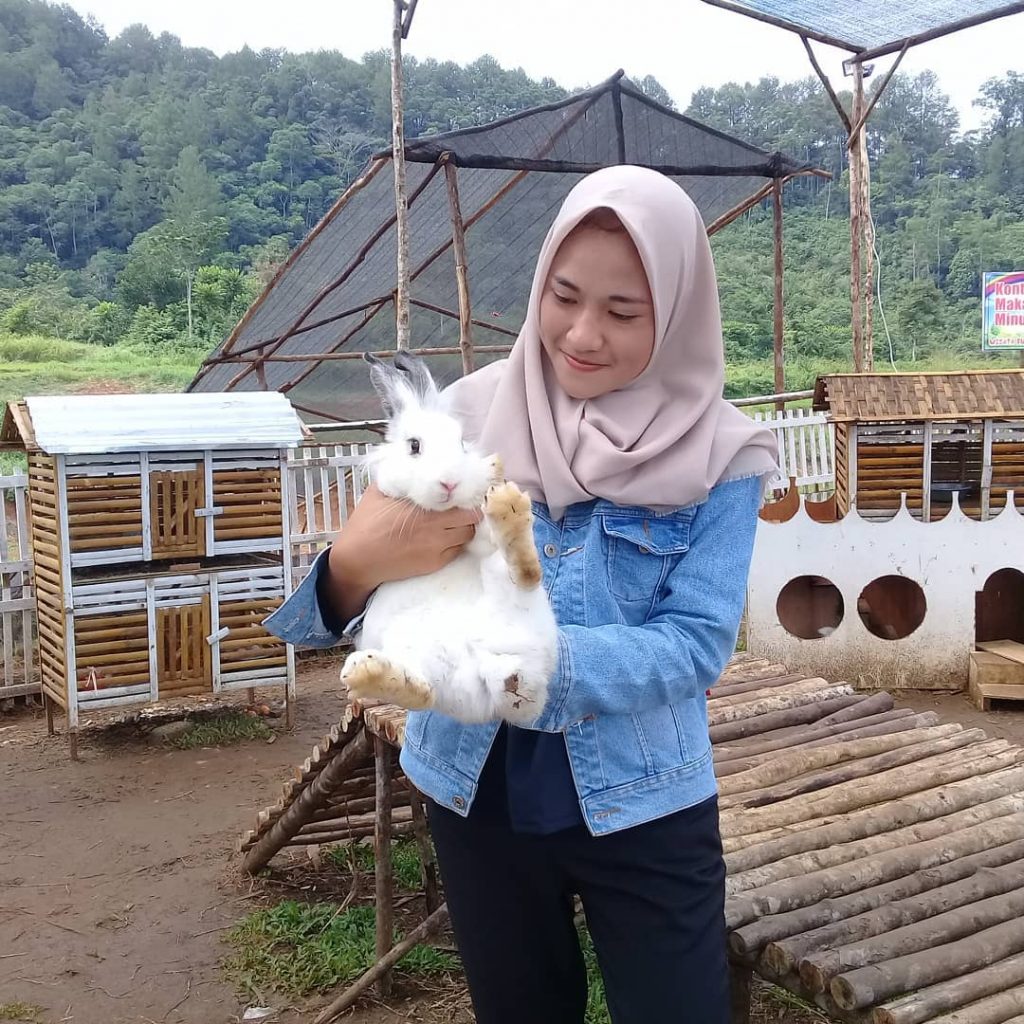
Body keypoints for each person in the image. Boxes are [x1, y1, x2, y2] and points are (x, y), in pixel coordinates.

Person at [266, 165, 778, 1024]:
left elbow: (695, 642)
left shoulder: (724, 456)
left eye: (624, 312)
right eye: (563, 296)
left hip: (645, 798)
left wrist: (537, 666)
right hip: (475, 790)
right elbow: (338, 607)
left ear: (678, 313)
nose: (582, 334)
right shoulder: (463, 419)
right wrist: (351, 564)